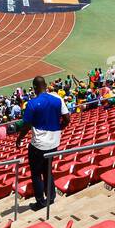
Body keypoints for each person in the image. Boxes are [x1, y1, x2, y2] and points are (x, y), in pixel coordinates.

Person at [15, 75, 70, 211]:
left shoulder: (32, 104)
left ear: (34, 88)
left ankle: (40, 202)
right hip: (54, 142)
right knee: (48, 170)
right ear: (45, 85)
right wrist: (60, 128)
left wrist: (19, 138)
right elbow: (67, 119)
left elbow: (26, 125)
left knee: (35, 173)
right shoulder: (58, 99)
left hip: (39, 145)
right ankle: (50, 197)